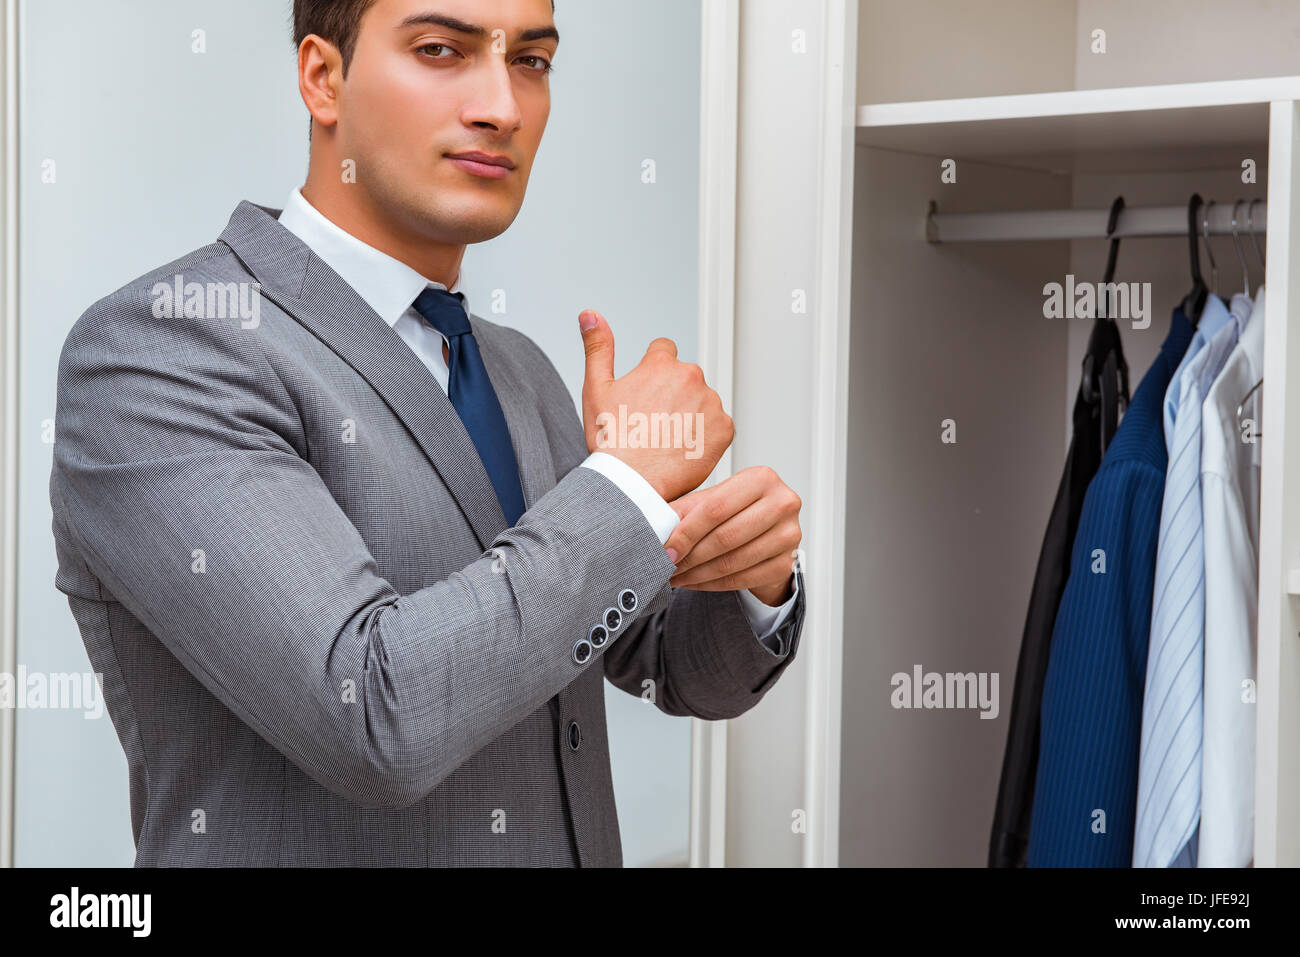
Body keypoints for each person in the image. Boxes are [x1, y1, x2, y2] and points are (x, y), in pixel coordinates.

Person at [49, 0, 806, 866]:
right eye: (441, 49)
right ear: (322, 78)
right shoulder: (163, 348)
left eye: (531, 60)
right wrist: (627, 488)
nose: (504, 107)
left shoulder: (520, 371)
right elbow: (371, 713)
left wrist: (754, 577)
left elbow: (661, 662)